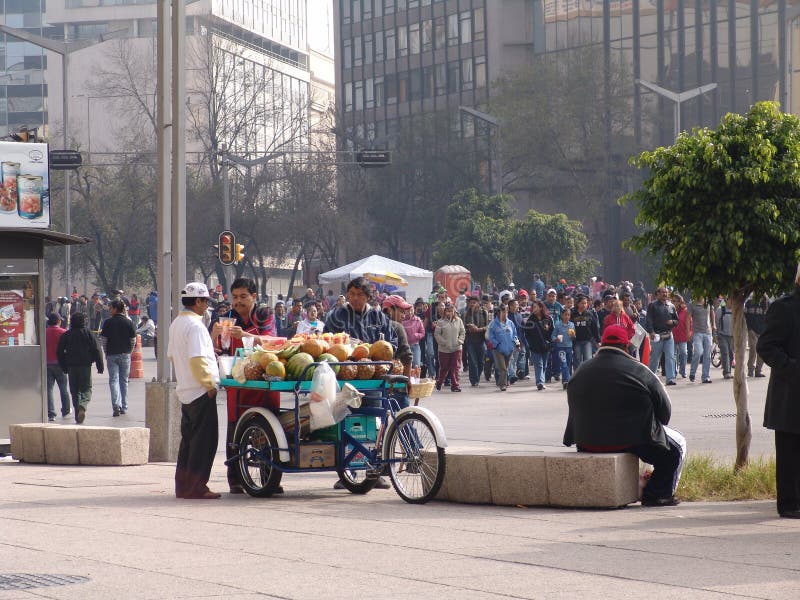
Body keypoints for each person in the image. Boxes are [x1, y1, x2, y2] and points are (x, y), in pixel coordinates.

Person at [563, 324, 686, 507]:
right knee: (677, 446)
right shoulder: (640, 370)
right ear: (626, 346)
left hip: (587, 442)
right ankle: (658, 494)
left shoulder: (580, 370)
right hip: (633, 440)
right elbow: (665, 412)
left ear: (601, 344)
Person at [209, 277, 280, 495]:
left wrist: (246, 335)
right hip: (237, 383)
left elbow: (273, 342)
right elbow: (217, 348)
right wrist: (213, 335)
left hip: (264, 381)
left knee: (269, 430)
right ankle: (235, 479)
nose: (238, 302)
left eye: (243, 297)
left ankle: (270, 478)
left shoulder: (264, 314)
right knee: (235, 427)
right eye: (235, 297)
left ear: (254, 297)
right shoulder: (227, 317)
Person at [168, 282, 221, 500]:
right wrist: (209, 385)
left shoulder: (177, 324)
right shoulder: (196, 326)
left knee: (189, 442)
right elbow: (198, 360)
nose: (207, 306)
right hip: (200, 391)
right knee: (203, 442)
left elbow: (173, 356)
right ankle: (197, 486)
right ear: (197, 301)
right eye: (206, 301)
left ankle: (183, 486)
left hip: (186, 390)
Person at [756, 264, 800, 518]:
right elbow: (767, 346)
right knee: (790, 453)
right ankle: (789, 503)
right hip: (790, 395)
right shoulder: (784, 308)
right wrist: (792, 367)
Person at [56, 313, 104, 424]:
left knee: (74, 391)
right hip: (85, 366)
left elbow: (59, 352)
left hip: (71, 367)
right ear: (84, 322)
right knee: (86, 389)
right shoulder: (88, 334)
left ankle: (78, 414)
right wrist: (99, 365)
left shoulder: (66, 335)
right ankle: (83, 406)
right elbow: (97, 349)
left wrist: (64, 366)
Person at [99, 299, 137, 417]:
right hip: (125, 354)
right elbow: (133, 340)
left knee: (113, 380)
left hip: (112, 355)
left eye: (111, 308)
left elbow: (104, 340)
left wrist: (106, 352)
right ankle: (124, 406)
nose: (110, 310)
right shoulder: (129, 322)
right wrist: (129, 351)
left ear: (115, 309)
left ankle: (116, 405)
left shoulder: (108, 323)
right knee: (124, 381)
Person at [645, 286, 679, 385]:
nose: (665, 294)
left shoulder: (671, 306)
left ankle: (670, 379)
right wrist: (651, 332)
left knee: (670, 357)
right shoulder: (652, 305)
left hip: (669, 335)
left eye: (666, 292)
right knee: (655, 358)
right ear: (658, 294)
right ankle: (650, 378)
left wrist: (672, 321)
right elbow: (649, 320)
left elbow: (677, 320)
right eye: (662, 292)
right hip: (657, 335)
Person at [434, 304, 465, 392]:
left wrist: (460, 340)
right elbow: (437, 334)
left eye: (451, 311)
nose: (449, 313)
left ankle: (455, 385)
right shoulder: (440, 322)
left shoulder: (458, 320)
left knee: (455, 367)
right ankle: (440, 382)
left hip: (456, 348)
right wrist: (443, 342)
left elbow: (462, 332)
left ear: (454, 312)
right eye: (447, 311)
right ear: (445, 312)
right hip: (444, 349)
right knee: (444, 368)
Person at [45, 313, 71, 421]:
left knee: (49, 389)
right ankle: (66, 410)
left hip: (47, 364)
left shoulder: (44, 332)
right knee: (63, 388)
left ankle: (51, 414)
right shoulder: (63, 332)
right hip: (60, 364)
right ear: (59, 321)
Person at [524, 300, 554, 391]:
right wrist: (530, 344)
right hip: (534, 346)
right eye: (533, 307)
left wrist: (551, 341)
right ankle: (539, 382)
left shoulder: (548, 319)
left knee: (544, 365)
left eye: (536, 307)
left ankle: (542, 381)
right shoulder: (530, 320)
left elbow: (552, 331)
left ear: (541, 308)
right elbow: (527, 334)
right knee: (539, 365)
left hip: (546, 346)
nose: (534, 309)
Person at [488, 305, 518, 392]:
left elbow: (515, 335)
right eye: (503, 312)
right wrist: (496, 344)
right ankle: (503, 385)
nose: (505, 314)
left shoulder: (510, 323)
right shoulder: (493, 324)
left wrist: (516, 343)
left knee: (506, 367)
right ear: (498, 313)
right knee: (503, 368)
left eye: (506, 312)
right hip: (498, 350)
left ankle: (504, 381)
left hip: (509, 349)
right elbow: (491, 336)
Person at [686, 295, 716, 383]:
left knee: (707, 355)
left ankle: (705, 377)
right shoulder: (692, 304)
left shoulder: (708, 302)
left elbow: (712, 312)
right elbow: (688, 318)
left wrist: (714, 324)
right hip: (697, 332)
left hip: (708, 332)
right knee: (698, 352)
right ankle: (692, 372)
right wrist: (688, 332)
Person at [462, 295, 490, 387]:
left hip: (481, 340)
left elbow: (488, 327)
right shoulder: (465, 314)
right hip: (470, 341)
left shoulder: (484, 313)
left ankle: (477, 376)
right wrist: (468, 328)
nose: (472, 304)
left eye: (474, 302)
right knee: (472, 361)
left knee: (481, 361)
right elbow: (462, 328)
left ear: (478, 303)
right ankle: (474, 380)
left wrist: (479, 329)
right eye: (471, 303)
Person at [744, 293, 769, 378]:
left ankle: (758, 370)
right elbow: (745, 315)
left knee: (761, 351)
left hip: (762, 331)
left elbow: (769, 317)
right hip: (752, 330)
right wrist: (749, 328)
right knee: (753, 350)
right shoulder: (749, 302)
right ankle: (750, 369)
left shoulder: (766, 302)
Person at [551, 308, 575, 390]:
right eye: (565, 315)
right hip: (560, 347)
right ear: (561, 315)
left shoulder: (571, 325)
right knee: (564, 364)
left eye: (568, 315)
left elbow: (573, 337)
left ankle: (566, 381)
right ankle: (567, 381)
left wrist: (573, 336)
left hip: (569, 346)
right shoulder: (558, 324)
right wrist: (555, 339)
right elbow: (553, 335)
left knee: (568, 365)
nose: (567, 317)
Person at [715, 298, 734, 379]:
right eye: (730, 300)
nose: (732, 302)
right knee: (725, 353)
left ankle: (728, 370)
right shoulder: (720, 310)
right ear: (726, 300)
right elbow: (716, 323)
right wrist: (715, 335)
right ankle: (726, 372)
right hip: (722, 335)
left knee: (731, 354)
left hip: (732, 336)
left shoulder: (735, 309)